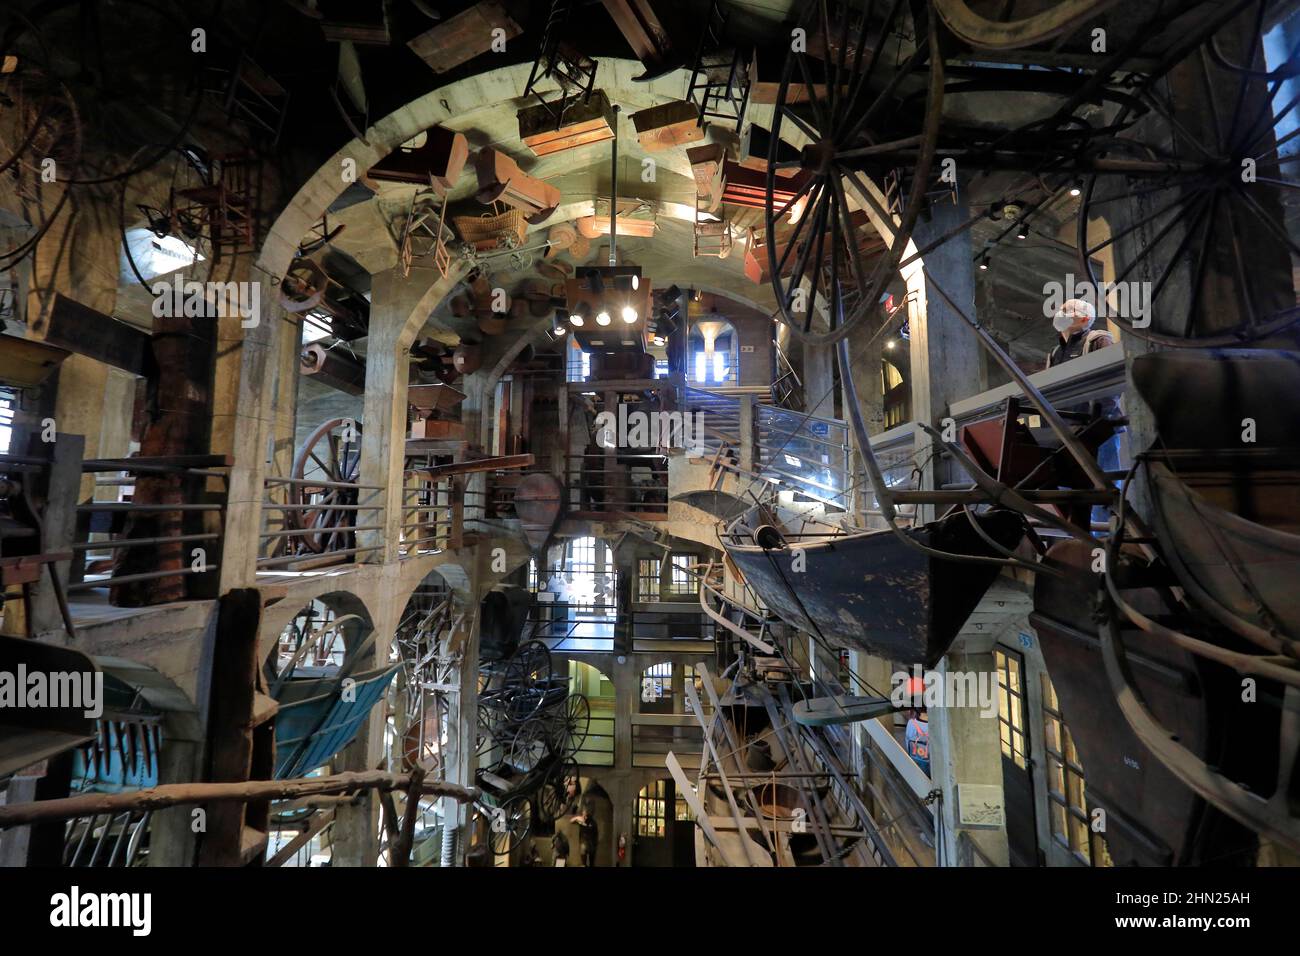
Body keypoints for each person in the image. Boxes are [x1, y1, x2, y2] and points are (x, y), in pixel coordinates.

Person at [1046, 297, 1125, 530]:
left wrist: (1097, 420)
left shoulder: (1099, 340)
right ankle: (1076, 537)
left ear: (1083, 318)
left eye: (1066, 310)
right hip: (1067, 430)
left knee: (1104, 482)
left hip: (1098, 429)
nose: (1060, 313)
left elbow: (1111, 382)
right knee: (1070, 484)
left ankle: (1109, 535)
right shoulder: (1056, 351)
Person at [571, 798, 598, 867]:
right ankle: (584, 864)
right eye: (583, 814)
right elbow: (571, 821)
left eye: (585, 815)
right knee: (583, 852)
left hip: (591, 843)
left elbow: (595, 834)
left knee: (591, 861)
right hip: (584, 842)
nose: (584, 816)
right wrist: (577, 818)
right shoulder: (581, 821)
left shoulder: (593, 823)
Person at [905, 707, 930, 777]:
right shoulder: (936, 725)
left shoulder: (911, 723)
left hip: (916, 762)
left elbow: (908, 743)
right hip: (932, 764)